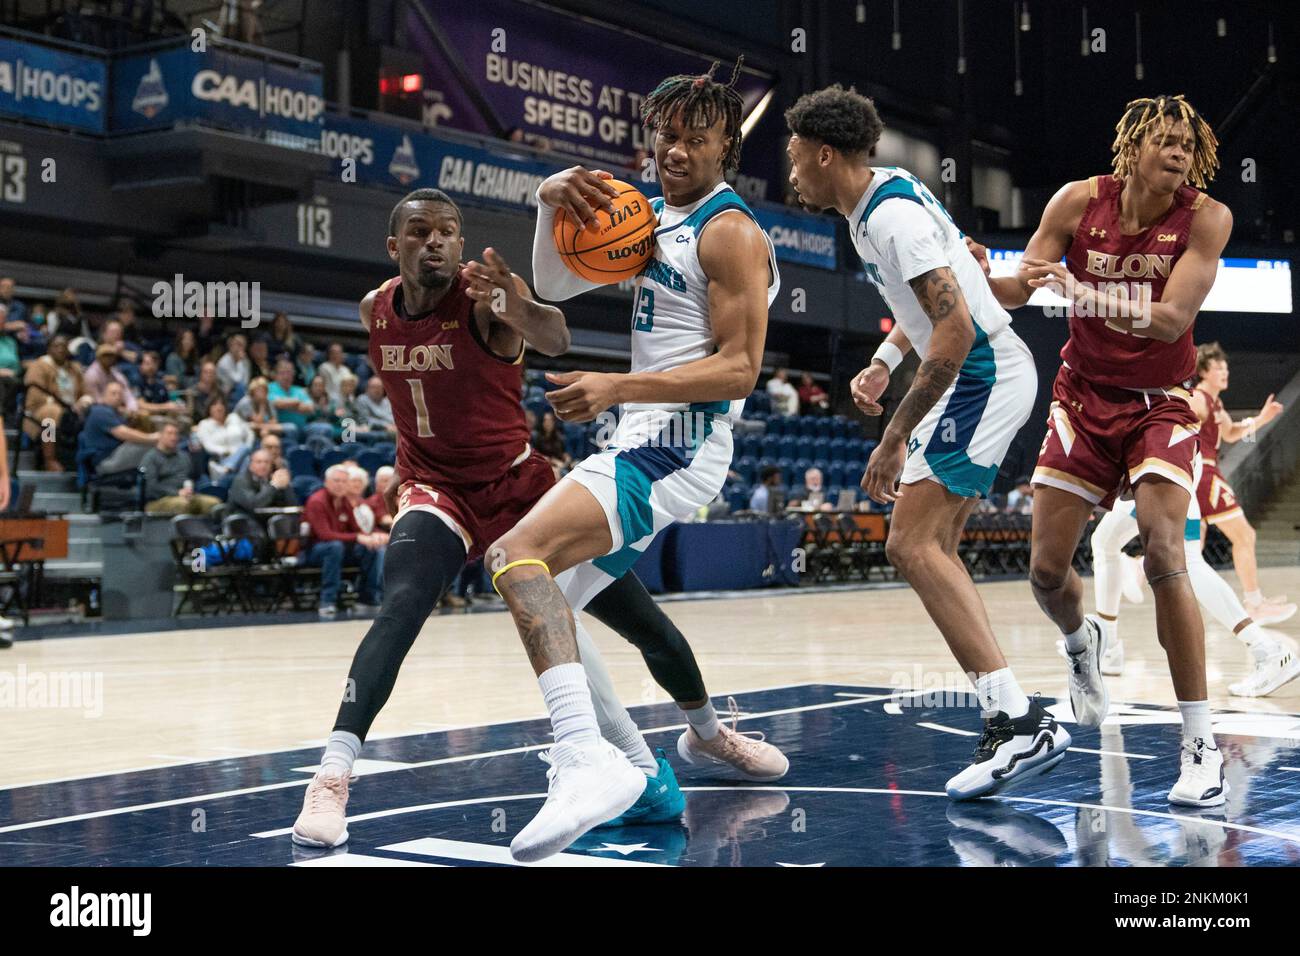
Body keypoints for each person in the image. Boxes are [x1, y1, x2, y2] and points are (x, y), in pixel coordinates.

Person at [293, 182, 784, 860]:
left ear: (461, 243)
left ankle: (704, 733)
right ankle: (332, 778)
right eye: (418, 232)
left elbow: (555, 335)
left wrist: (519, 305)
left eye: (446, 232)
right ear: (393, 245)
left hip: (518, 487)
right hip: (437, 492)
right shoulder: (373, 309)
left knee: (640, 622)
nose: (433, 241)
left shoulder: (487, 301)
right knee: (400, 604)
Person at [490, 59, 789, 861]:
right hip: (640, 438)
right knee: (543, 598)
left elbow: (740, 368)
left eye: (695, 139)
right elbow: (554, 288)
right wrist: (547, 198)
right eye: (664, 137)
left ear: (727, 145)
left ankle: (594, 762)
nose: (676, 151)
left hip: (678, 444)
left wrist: (619, 384)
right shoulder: (646, 217)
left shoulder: (730, 232)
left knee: (516, 556)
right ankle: (638, 772)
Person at [787, 84, 1066, 800]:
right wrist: (881, 366)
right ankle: (1011, 717)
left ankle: (1015, 720)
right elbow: (933, 305)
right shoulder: (875, 205)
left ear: (824, 154)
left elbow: (957, 329)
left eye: (793, 156)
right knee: (930, 548)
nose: (789, 171)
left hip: (983, 375)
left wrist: (896, 432)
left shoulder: (895, 218)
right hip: (991, 371)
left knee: (908, 545)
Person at [968, 93, 1233, 806]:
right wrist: (973, 274)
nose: (1179, 151)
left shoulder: (1206, 218)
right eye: (1167, 139)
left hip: (1163, 402)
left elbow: (1171, 318)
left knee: (1164, 551)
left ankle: (1200, 748)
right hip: (1083, 398)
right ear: (1136, 146)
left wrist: (1082, 292)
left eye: (1188, 143)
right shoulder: (1077, 202)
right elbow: (1018, 292)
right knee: (1047, 573)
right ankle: (1082, 644)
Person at [1089, 467, 1299, 697]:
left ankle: (1269, 650)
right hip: (1165, 465)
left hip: (1162, 465)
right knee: (1105, 542)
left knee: (1186, 561)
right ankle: (1109, 647)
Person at [1190, 342, 1293, 624]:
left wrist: (1261, 419)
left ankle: (1137, 566)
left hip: (1204, 474)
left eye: (1226, 367)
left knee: (1191, 549)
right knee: (1244, 536)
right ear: (1203, 371)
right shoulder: (1198, 399)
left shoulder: (1215, 403)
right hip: (1204, 474)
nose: (1225, 371)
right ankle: (1254, 603)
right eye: (1218, 367)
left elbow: (1232, 433)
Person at [302, 464, 385, 617]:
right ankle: (327, 601)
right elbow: (325, 535)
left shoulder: (344, 501)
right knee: (334, 546)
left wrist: (371, 537)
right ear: (326, 482)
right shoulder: (317, 501)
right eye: (336, 481)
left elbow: (355, 528)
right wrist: (358, 537)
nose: (340, 485)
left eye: (344, 482)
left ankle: (368, 599)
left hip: (340, 548)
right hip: (314, 551)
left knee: (373, 548)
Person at [23, 335, 90, 471]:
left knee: (95, 411)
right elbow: (34, 394)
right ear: (48, 349)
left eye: (64, 346)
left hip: (72, 409)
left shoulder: (74, 368)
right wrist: (60, 406)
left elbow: (84, 391)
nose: (60, 349)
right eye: (56, 346)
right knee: (51, 413)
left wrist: (84, 400)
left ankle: (89, 461)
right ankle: (49, 459)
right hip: (40, 410)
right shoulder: (39, 366)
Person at [81, 381, 159, 475]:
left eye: (120, 394)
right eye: (113, 393)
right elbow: (123, 433)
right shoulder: (100, 411)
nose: (117, 397)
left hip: (115, 454)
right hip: (106, 460)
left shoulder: (115, 412)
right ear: (103, 395)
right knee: (150, 445)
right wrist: (153, 438)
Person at [141, 422, 219, 515]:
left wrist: (197, 454)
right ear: (160, 435)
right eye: (169, 433)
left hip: (187, 495)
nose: (173, 437)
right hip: (160, 499)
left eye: (176, 434)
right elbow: (151, 487)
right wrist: (177, 492)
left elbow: (195, 476)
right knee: (184, 504)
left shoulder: (183, 456)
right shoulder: (151, 457)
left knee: (214, 503)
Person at [192, 396, 253, 481]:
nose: (219, 407)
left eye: (221, 405)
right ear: (209, 409)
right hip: (222, 459)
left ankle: (228, 468)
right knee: (245, 456)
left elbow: (250, 433)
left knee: (245, 454)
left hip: (241, 455)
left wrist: (248, 447)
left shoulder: (234, 418)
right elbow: (207, 445)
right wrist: (225, 451)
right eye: (215, 405)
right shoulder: (204, 424)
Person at [228, 446, 296, 517]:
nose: (263, 465)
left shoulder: (273, 479)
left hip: (267, 522)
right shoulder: (240, 481)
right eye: (259, 462)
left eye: (266, 462)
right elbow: (254, 505)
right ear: (250, 465)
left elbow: (292, 506)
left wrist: (286, 486)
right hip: (242, 522)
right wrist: (273, 486)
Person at [234, 376, 288, 442]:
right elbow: (257, 422)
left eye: (264, 390)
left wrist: (266, 427)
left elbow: (274, 421)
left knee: (290, 428)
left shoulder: (268, 401)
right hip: (241, 430)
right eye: (259, 390)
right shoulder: (246, 402)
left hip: (261, 428)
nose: (262, 393)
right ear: (252, 392)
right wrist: (262, 406)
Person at [269, 359, 314, 434]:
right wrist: (298, 402)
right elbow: (277, 404)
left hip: (303, 427)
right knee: (291, 428)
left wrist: (287, 406)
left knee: (324, 428)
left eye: (289, 372)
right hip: (282, 428)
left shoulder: (299, 390)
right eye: (282, 373)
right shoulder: (270, 387)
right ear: (276, 375)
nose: (286, 376)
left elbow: (310, 408)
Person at [533, 410, 570, 474]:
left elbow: (564, 453)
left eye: (550, 421)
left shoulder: (558, 436)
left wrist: (567, 459)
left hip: (559, 464)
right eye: (546, 420)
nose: (548, 423)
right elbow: (535, 454)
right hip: (544, 465)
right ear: (542, 422)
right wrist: (552, 461)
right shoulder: (536, 437)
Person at [365, 465, 396, 530]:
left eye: (391, 481)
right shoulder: (371, 501)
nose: (389, 484)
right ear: (377, 484)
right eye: (385, 481)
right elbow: (383, 519)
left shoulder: (400, 499)